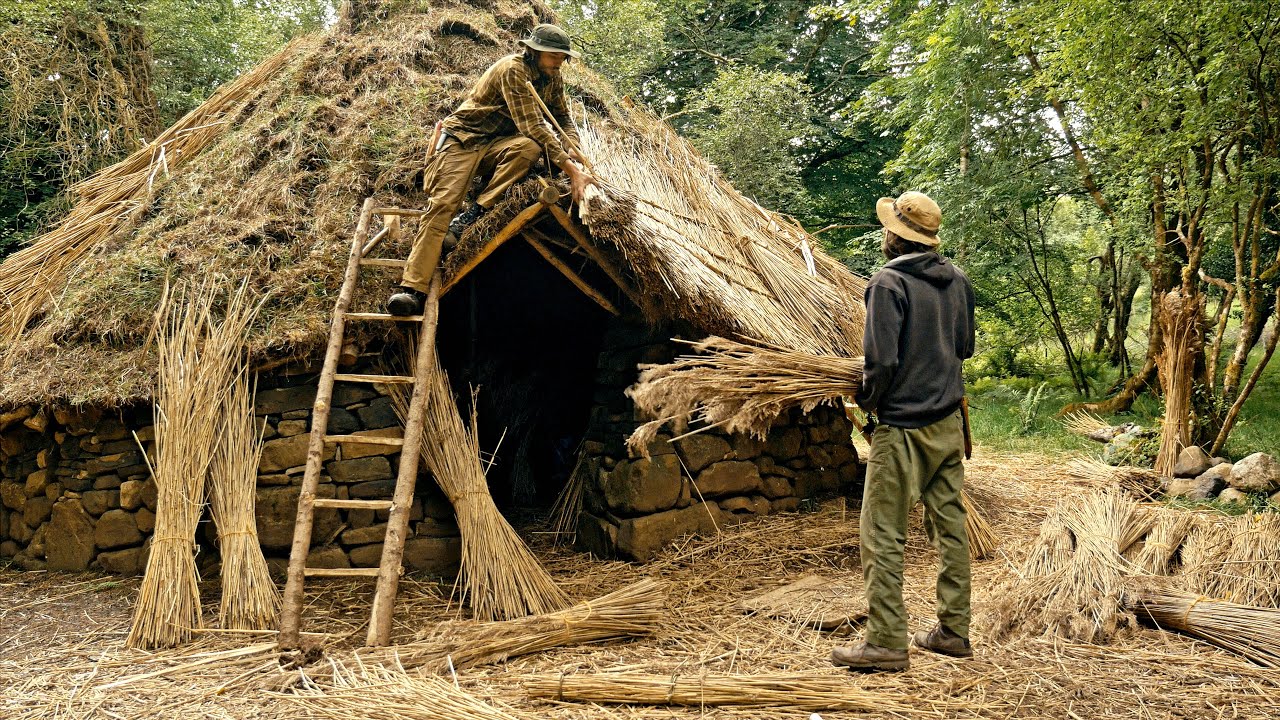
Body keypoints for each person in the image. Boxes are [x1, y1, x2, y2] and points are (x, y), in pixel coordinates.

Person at [831, 191, 976, 672]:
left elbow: (881, 362)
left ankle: (887, 642)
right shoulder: (957, 280)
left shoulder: (887, 283)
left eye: (888, 226)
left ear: (896, 235)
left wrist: (867, 402)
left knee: (882, 533)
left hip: (904, 429)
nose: (884, 232)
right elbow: (965, 347)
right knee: (950, 529)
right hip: (948, 424)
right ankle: (954, 632)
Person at [387, 23, 596, 315]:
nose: (559, 61)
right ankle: (411, 289)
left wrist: (571, 146)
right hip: (463, 139)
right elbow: (533, 125)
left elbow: (563, 118)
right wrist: (572, 170)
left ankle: (476, 213)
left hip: (498, 143)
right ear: (534, 52)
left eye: (562, 56)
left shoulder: (552, 76)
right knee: (443, 204)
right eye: (553, 55)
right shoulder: (513, 70)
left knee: (528, 149)